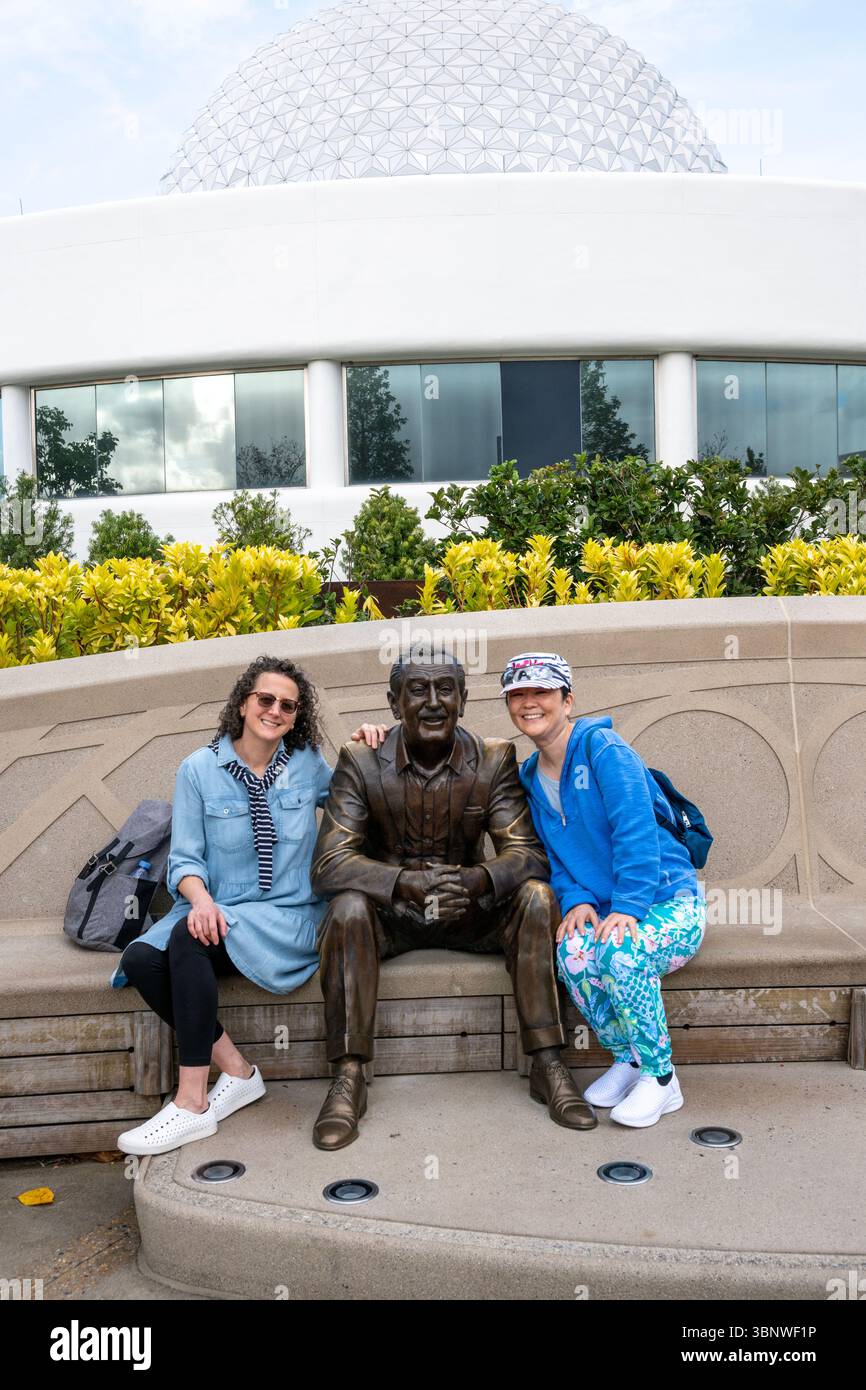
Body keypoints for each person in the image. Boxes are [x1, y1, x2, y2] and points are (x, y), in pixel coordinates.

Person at [308, 647, 598, 1153]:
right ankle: (348, 1076)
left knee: (534, 896)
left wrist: (478, 881)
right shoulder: (360, 760)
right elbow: (330, 864)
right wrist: (403, 883)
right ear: (395, 703)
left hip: (469, 912)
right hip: (393, 915)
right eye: (418, 689)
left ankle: (549, 1063)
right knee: (347, 907)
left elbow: (526, 853)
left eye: (446, 689)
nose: (434, 701)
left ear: (463, 700)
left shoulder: (492, 758)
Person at [114, 654, 385, 1155]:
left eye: (289, 705)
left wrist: (364, 744)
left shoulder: (306, 764)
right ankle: (238, 1072)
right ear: (243, 703)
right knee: (139, 959)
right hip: (219, 909)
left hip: (290, 916)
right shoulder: (198, 769)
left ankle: (192, 1102)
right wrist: (199, 901)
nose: (276, 711)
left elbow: (358, 789)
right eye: (266, 699)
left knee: (185, 941)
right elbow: (186, 861)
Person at [500, 651, 706, 1129]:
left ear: (567, 700)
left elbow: (634, 831)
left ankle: (661, 1078)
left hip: (668, 902)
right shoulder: (530, 777)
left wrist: (631, 906)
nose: (530, 703)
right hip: (608, 906)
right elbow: (556, 855)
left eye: (542, 693)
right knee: (572, 950)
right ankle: (627, 1059)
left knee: (619, 952)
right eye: (518, 695)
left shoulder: (604, 750)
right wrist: (576, 902)